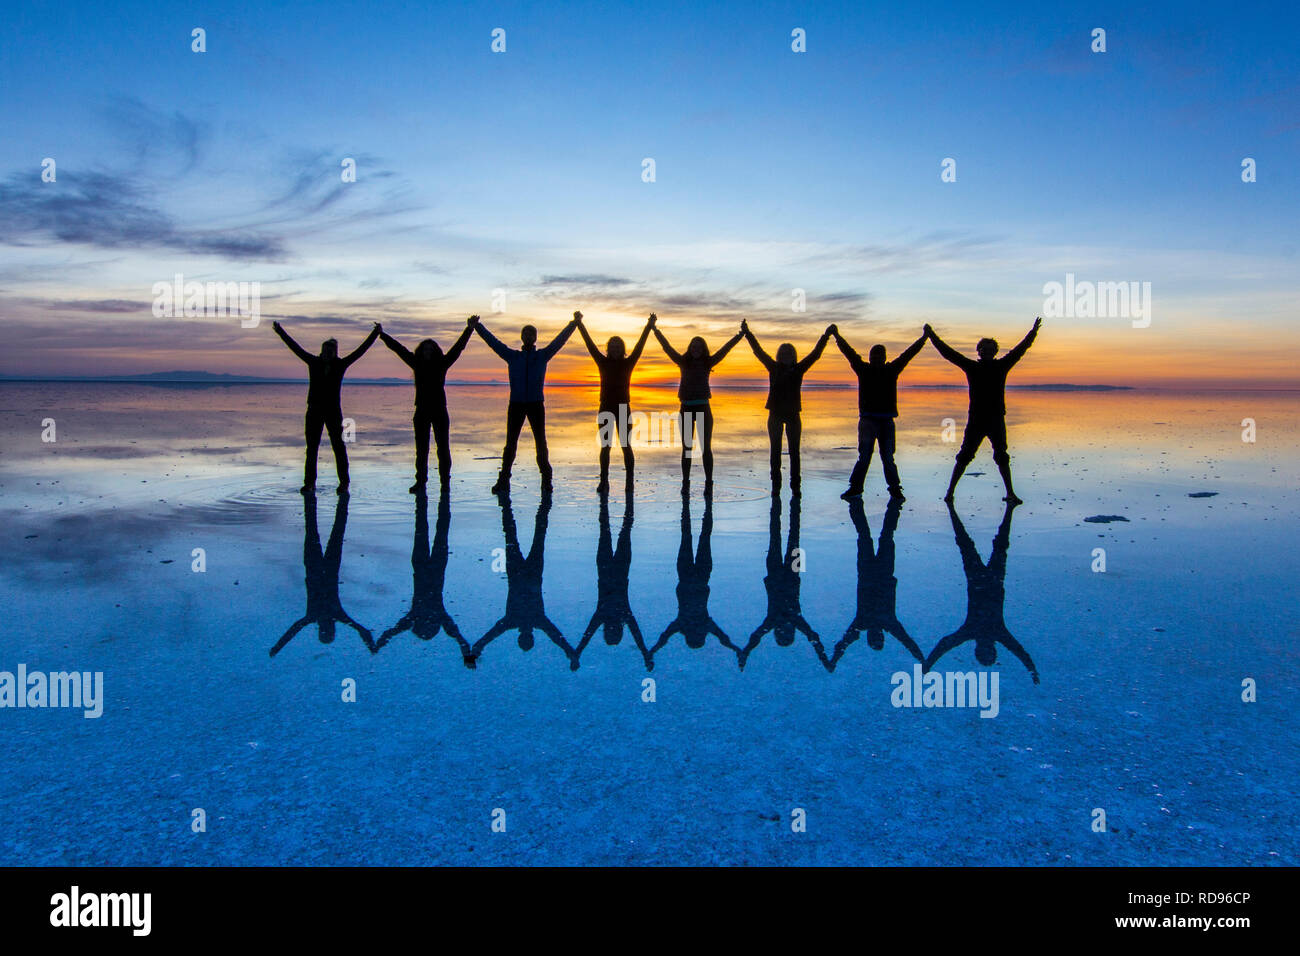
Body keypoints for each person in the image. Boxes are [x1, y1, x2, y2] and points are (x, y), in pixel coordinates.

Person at [926, 318, 1042, 504]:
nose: (987, 352)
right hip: (977, 420)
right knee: (965, 455)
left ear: (995, 352)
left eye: (990, 349)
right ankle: (950, 492)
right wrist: (932, 336)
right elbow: (949, 354)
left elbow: (1020, 350)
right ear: (978, 351)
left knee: (1001, 456)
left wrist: (1033, 332)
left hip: (996, 420)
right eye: (984, 349)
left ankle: (1010, 493)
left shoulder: (1001, 366)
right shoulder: (972, 367)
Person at [924, 502, 1038, 682]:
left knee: (992, 544)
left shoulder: (986, 632)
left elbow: (945, 644)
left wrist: (928, 664)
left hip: (986, 580)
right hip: (984, 580)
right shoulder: (988, 632)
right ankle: (960, 511)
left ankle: (958, 510)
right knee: (973, 544)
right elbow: (1019, 651)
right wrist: (927, 665)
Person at [474, 312, 580, 494]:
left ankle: (546, 480)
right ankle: (503, 480)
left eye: (532, 334)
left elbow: (559, 341)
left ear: (535, 338)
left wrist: (574, 323)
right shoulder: (512, 356)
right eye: (526, 334)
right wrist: (478, 326)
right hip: (516, 404)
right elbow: (493, 343)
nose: (529, 336)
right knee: (510, 444)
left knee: (541, 443)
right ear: (522, 337)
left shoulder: (542, 356)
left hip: (536, 404)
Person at [273, 320, 381, 494]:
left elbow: (360, 351)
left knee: (339, 447)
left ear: (335, 352)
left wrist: (375, 334)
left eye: (330, 351)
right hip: (314, 411)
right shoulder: (313, 362)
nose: (327, 353)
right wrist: (280, 331)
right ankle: (309, 484)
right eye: (325, 350)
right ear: (321, 351)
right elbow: (295, 348)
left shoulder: (340, 364)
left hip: (333, 412)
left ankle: (344, 483)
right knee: (312, 449)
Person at [822, 497, 922, 672]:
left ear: (873, 635)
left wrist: (834, 660)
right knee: (876, 536)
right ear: (880, 635)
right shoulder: (879, 623)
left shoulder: (867, 623)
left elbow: (842, 645)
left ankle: (868, 504)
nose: (877, 634)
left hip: (872, 573)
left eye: (875, 637)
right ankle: (876, 504)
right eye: (879, 637)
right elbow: (907, 642)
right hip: (878, 573)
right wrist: (922, 660)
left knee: (876, 536)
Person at [375, 489, 474, 667]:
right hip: (428, 567)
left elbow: (394, 631)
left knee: (433, 529)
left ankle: (438, 496)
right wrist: (383, 640)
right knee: (424, 527)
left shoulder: (426, 615)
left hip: (429, 567)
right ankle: (441, 494)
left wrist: (383, 640)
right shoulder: (425, 615)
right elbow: (456, 635)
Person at [270, 491, 374, 656]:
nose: (327, 628)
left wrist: (278, 647)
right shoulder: (330, 615)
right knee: (319, 529)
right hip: (320, 569)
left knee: (328, 531)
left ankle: (337, 500)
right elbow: (362, 631)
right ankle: (339, 500)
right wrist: (370, 645)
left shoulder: (319, 615)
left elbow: (293, 631)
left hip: (318, 569)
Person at [378, 317, 475, 493]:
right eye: (425, 349)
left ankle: (445, 483)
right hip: (421, 411)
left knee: (443, 448)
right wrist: (383, 336)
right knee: (421, 450)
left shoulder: (442, 363)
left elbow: (458, 348)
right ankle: (421, 482)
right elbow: (399, 349)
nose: (428, 351)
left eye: (431, 348)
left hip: (439, 410)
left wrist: (469, 330)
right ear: (421, 351)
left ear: (435, 351)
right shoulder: (416, 363)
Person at [833, 327, 927, 501]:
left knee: (888, 458)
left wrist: (923, 339)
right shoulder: (863, 369)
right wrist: (837, 336)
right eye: (873, 355)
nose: (876, 358)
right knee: (864, 457)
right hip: (867, 421)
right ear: (870, 357)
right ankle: (855, 488)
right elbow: (849, 353)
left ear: (884, 357)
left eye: (879, 355)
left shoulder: (892, 369)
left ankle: (895, 489)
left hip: (886, 422)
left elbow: (908, 354)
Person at [741, 320, 833, 496]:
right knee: (775, 451)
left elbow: (815, 354)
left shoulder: (799, 369)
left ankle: (795, 486)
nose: (785, 355)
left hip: (792, 415)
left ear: (794, 355)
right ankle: (776, 485)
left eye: (789, 353)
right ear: (778, 355)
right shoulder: (773, 367)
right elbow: (758, 351)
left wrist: (826, 336)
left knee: (794, 452)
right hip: (775, 414)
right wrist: (747, 333)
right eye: (783, 353)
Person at [652, 321, 744, 495]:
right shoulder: (682, 362)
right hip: (686, 409)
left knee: (705, 448)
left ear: (703, 349)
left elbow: (726, 349)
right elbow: (667, 348)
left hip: (703, 409)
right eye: (693, 346)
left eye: (699, 347)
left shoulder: (708, 362)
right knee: (687, 448)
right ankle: (685, 483)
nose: (696, 349)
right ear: (690, 348)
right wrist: (655, 330)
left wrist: (739, 336)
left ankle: (709, 482)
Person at [737, 497, 823, 669]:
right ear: (790, 631)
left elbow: (756, 636)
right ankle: (791, 500)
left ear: (777, 631)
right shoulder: (794, 620)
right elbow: (813, 638)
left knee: (777, 537)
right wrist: (824, 658)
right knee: (789, 536)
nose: (783, 628)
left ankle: (783, 500)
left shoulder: (774, 620)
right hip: (792, 574)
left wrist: (745, 652)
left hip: (777, 573)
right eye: (786, 632)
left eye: (780, 632)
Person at [575, 313, 655, 494]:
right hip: (605, 408)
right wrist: (580, 324)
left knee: (626, 446)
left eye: (619, 346)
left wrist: (649, 326)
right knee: (606, 446)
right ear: (608, 349)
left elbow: (640, 346)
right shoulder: (602, 362)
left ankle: (629, 482)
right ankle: (604, 481)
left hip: (623, 408)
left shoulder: (629, 363)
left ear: (623, 349)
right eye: (612, 346)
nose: (616, 349)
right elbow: (589, 345)